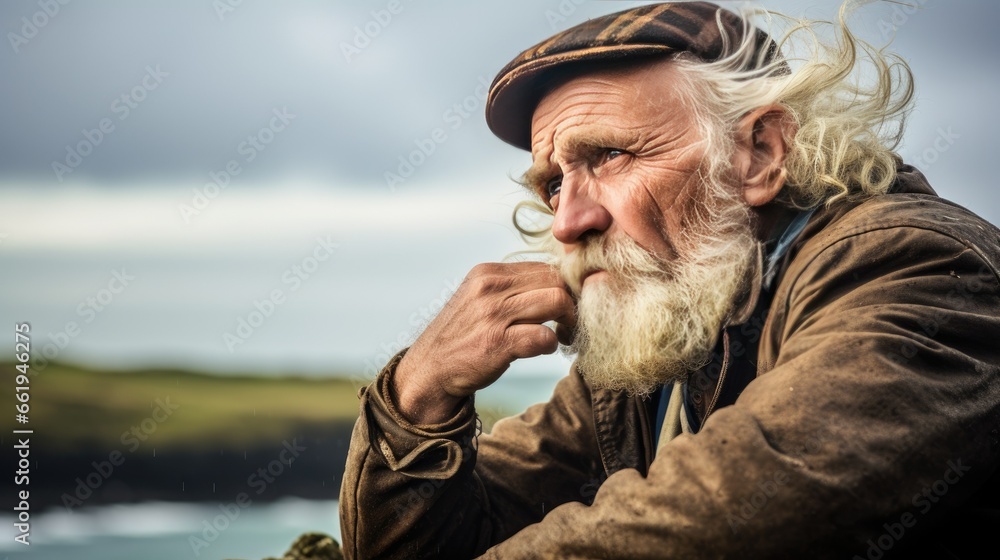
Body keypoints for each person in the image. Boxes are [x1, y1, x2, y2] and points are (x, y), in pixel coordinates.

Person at [339, 2, 1000, 558]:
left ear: (760, 154)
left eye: (610, 155)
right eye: (552, 184)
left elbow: (747, 505)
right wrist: (417, 397)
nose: (568, 221)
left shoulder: (910, 264)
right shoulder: (664, 343)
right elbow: (418, 543)